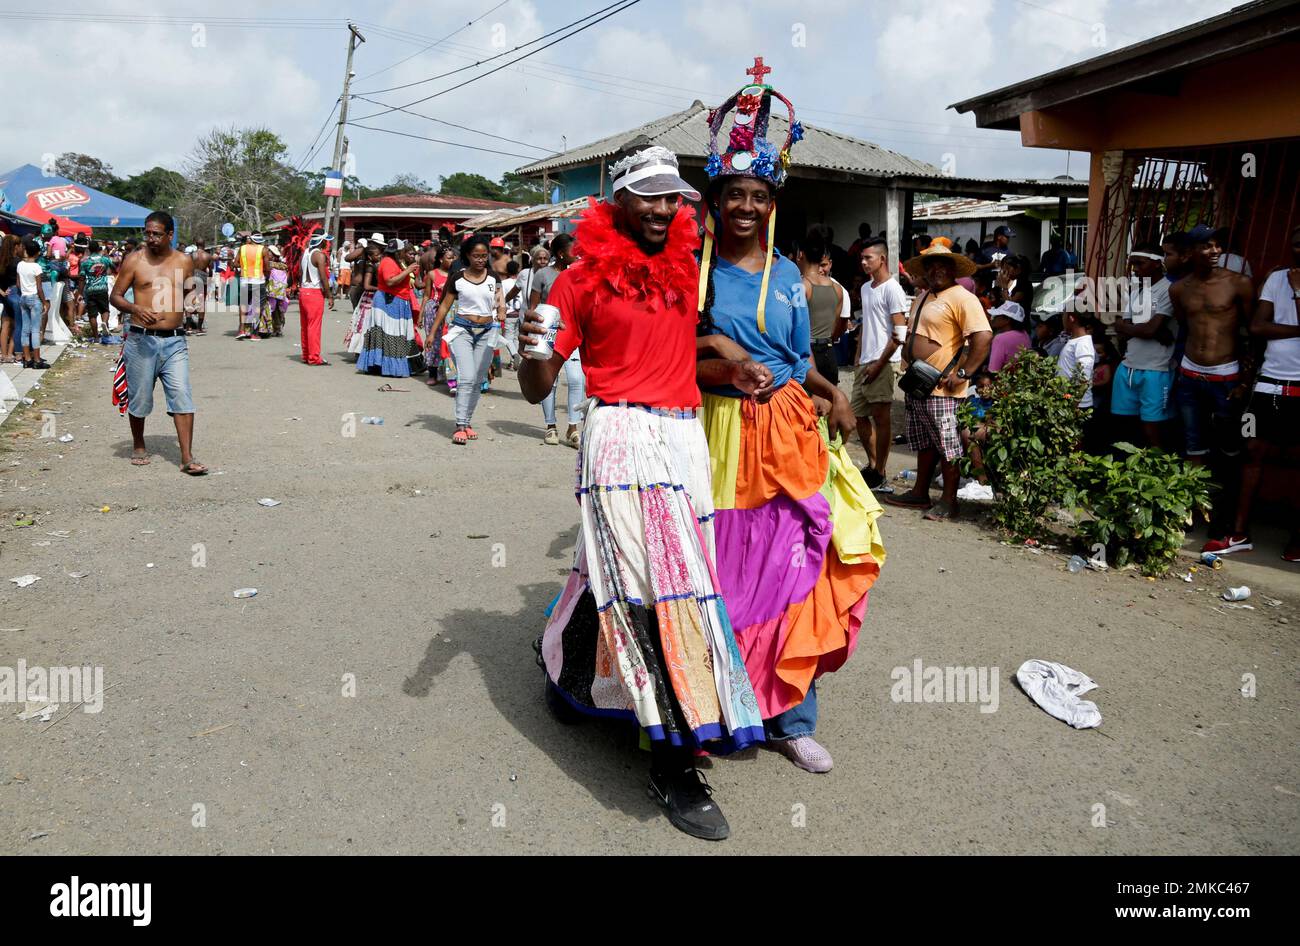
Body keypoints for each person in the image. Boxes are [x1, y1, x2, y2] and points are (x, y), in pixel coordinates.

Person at [521, 144, 771, 841]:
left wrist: (729, 366)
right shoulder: (575, 280)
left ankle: (570, 679)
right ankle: (674, 761)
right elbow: (539, 386)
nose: (665, 207)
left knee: (612, 572)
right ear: (618, 200)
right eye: (650, 195)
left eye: (673, 196)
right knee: (662, 589)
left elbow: (671, 353)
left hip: (684, 440)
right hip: (622, 440)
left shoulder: (682, 268)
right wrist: (530, 348)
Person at [695, 67, 884, 776]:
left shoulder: (787, 276)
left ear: (773, 204)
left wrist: (832, 394)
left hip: (791, 434)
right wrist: (721, 360)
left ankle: (790, 717)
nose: (745, 206)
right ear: (716, 200)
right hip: (716, 433)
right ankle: (710, 708)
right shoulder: (696, 271)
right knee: (721, 575)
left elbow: (799, 361)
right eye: (734, 194)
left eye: (758, 196)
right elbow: (670, 362)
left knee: (802, 569)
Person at [885, 244, 993, 520]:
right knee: (925, 442)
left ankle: (948, 501)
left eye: (943, 265)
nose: (937, 270)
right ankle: (920, 493)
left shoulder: (963, 298)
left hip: (944, 387)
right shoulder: (924, 295)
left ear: (954, 269)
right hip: (919, 382)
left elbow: (982, 337)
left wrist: (964, 373)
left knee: (948, 446)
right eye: (931, 265)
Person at [1170, 224, 1255, 554]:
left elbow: (1251, 335)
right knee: (1193, 448)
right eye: (1207, 246)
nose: (1215, 251)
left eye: (1217, 245)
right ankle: (1189, 515)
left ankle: (1225, 523)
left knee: (1229, 452)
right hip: (1190, 376)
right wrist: (1180, 367)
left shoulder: (1238, 284)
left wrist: (1246, 381)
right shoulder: (1181, 290)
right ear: (1191, 253)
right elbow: (1186, 329)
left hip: (1226, 379)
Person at [109, 211, 206, 475]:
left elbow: (189, 292)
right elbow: (115, 296)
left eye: (156, 234)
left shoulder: (184, 261)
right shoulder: (134, 260)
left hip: (175, 342)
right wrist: (134, 309)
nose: (150, 238)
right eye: (147, 233)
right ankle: (139, 444)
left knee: (182, 395)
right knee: (139, 398)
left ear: (170, 235)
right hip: (141, 341)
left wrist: (192, 303)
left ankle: (186, 457)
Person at [1228, 224, 1300, 561]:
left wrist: (1298, 296)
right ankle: (1240, 532)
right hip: (1269, 384)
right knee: (1252, 450)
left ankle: (1296, 542)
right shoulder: (1276, 278)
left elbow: (1271, 327)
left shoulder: (1291, 284)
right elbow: (1258, 326)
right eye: (1296, 242)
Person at [429, 235, 503, 443]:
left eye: (484, 256)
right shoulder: (457, 278)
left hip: (487, 332)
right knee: (467, 378)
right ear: (467, 256)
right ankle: (460, 425)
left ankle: (467, 422)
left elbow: (500, 300)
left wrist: (503, 310)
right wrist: (432, 332)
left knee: (478, 381)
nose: (480, 259)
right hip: (462, 331)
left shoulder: (493, 278)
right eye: (475, 256)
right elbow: (444, 305)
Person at [852, 236, 907, 489]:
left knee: (881, 417)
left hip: (883, 361)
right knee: (858, 415)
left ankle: (880, 471)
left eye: (868, 258)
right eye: (861, 258)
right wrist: (858, 356)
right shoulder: (866, 288)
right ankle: (874, 466)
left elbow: (900, 333)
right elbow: (865, 325)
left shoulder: (893, 289)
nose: (863, 262)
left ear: (882, 259)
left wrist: (878, 364)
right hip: (865, 360)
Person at [1112, 243, 1176, 448]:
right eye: (1133, 265)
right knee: (1125, 425)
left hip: (1155, 368)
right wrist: (1147, 330)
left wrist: (1136, 328)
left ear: (1157, 264)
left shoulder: (1168, 290)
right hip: (1129, 366)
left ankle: (1159, 472)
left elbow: (1143, 329)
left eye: (1139, 264)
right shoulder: (1137, 292)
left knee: (1153, 428)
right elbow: (1123, 328)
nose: (1135, 269)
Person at [528, 233, 585, 447]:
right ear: (561, 254)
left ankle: (573, 427)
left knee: (577, 380)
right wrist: (532, 335)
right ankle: (550, 426)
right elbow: (534, 306)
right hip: (548, 333)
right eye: (574, 251)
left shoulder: (580, 274)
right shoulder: (543, 274)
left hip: (573, 331)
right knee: (548, 382)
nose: (578, 255)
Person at [356, 240, 419, 377]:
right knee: (391, 334)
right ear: (399, 251)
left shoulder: (394, 261)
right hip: (388, 302)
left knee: (393, 334)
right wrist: (408, 270)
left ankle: (391, 365)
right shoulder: (388, 262)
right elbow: (390, 281)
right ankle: (388, 367)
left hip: (396, 301)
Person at [797, 225, 845, 382]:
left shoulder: (800, 287)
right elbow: (834, 327)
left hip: (806, 355)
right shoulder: (837, 288)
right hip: (829, 354)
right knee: (829, 403)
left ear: (801, 255)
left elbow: (794, 327)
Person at [344, 241, 382, 359]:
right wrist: (362, 250)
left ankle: (363, 349)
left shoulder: (374, 259)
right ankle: (359, 350)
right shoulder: (363, 254)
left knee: (363, 320)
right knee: (361, 321)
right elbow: (347, 258)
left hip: (366, 292)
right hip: (360, 290)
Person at [297, 233, 331, 365]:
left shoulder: (305, 253)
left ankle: (306, 355)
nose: (326, 244)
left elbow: (299, 272)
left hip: (303, 291)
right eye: (325, 241)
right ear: (321, 241)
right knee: (314, 327)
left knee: (305, 326)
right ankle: (314, 357)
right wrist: (330, 295)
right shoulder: (319, 255)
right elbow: (323, 277)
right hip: (314, 292)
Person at [16, 240, 50, 369]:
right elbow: (39, 287)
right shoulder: (36, 267)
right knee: (35, 330)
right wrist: (45, 302)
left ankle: (27, 359)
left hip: (23, 297)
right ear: (37, 252)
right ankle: (37, 360)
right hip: (34, 298)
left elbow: (18, 284)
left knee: (25, 330)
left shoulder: (20, 265)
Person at [78, 240, 114, 344]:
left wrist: (80, 293)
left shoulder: (85, 262)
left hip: (90, 289)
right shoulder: (105, 259)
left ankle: (96, 337)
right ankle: (104, 323)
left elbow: (81, 278)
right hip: (102, 288)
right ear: (99, 249)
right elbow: (114, 267)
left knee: (92, 315)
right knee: (105, 310)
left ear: (89, 249)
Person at [235, 234, 269, 340]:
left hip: (244, 280)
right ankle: (254, 333)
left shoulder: (242, 248)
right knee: (257, 307)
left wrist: (245, 266)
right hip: (258, 282)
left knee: (243, 305)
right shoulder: (264, 250)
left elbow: (235, 263)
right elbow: (267, 267)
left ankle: (241, 329)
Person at [985, 300, 1030, 373]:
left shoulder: (1001, 338)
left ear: (1007, 320)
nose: (993, 318)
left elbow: (993, 370)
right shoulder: (1025, 334)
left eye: (996, 315)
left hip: (1001, 381)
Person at [0, 234, 20, 363]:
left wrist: (1, 292)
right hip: (14, 294)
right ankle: (10, 353)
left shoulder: (1, 260)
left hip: (4, 295)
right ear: (15, 246)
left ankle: (3, 354)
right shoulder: (17, 262)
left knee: (5, 325)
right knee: (16, 325)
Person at [189, 240, 211, 335]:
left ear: (196, 245)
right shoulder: (208, 256)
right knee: (201, 303)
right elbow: (210, 271)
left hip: (192, 278)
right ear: (204, 245)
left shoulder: (191, 255)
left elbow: (187, 267)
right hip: (202, 279)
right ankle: (199, 328)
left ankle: (188, 327)